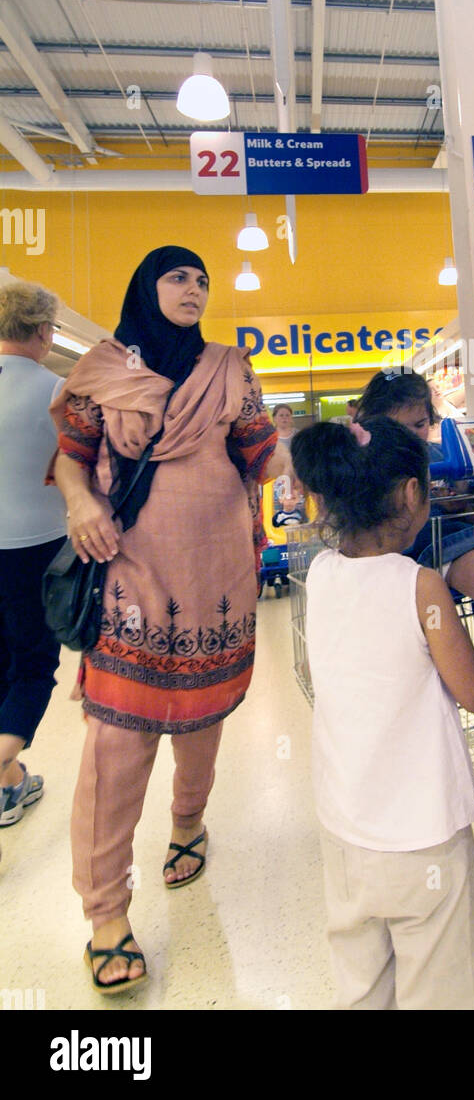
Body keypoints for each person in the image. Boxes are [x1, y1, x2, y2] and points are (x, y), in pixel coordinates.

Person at [50, 246, 289, 994]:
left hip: (217, 579)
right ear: (145, 286)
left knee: (204, 718)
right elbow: (69, 455)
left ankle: (188, 823)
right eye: (178, 276)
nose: (194, 288)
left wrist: (341, 454)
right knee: (117, 742)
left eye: (202, 278)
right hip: (129, 572)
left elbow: (263, 458)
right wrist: (82, 500)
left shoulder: (230, 368)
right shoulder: (101, 369)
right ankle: (106, 914)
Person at [290, 416, 474, 1009]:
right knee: (439, 984)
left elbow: (321, 673)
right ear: (412, 493)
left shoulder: (320, 572)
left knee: (362, 982)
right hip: (422, 835)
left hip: (345, 827)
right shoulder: (420, 587)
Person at [0, 282, 68, 834]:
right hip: (35, 547)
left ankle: (10, 784)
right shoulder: (58, 391)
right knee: (32, 665)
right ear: (45, 332)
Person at [355, 370, 474, 602]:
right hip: (426, 547)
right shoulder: (373, 464)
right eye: (399, 427)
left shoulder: (440, 453)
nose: (411, 435)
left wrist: (462, 498)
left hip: (470, 535)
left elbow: (464, 494)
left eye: (420, 424)